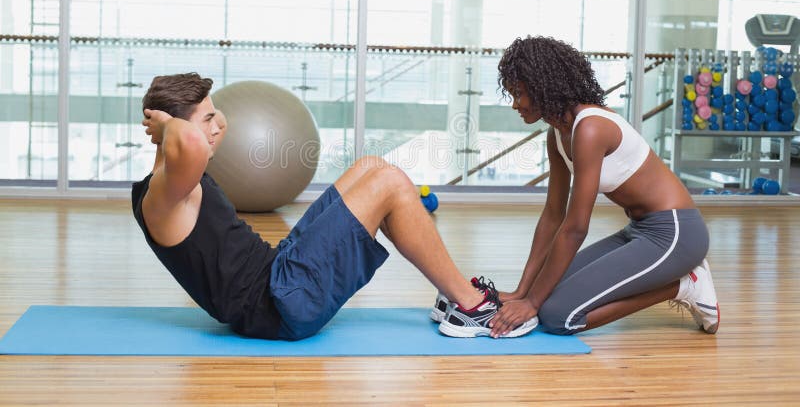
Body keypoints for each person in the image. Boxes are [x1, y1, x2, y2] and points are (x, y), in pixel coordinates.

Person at [132, 72, 536, 340]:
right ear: (171, 130)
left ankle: (454, 294)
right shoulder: (166, 193)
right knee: (392, 184)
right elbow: (190, 143)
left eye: (216, 112)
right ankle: (469, 307)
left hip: (279, 275)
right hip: (280, 304)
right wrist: (169, 125)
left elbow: (193, 140)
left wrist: (182, 122)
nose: (219, 123)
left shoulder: (177, 184)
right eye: (206, 119)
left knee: (372, 167)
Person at [440, 36, 719, 338]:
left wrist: (532, 303)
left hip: (677, 234)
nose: (515, 105)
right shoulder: (558, 134)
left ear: (543, 86)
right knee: (544, 292)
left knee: (557, 316)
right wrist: (524, 291)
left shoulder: (590, 128)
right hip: (639, 230)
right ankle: (537, 294)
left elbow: (575, 227)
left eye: (519, 94)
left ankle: (684, 285)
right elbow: (552, 216)